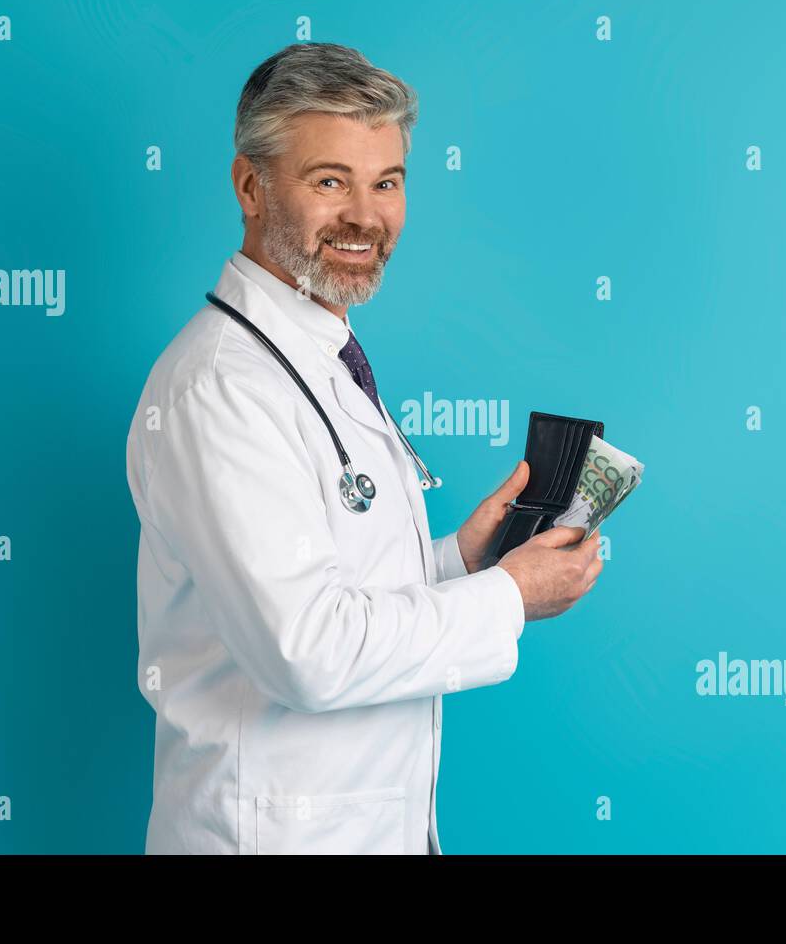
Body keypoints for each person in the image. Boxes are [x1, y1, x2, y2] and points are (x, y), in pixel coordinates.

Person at [125, 42, 604, 855]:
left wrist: (461, 562)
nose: (365, 215)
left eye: (386, 182)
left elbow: (329, 590)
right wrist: (510, 599)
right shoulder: (222, 388)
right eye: (329, 181)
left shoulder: (316, 351)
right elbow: (307, 653)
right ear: (249, 186)